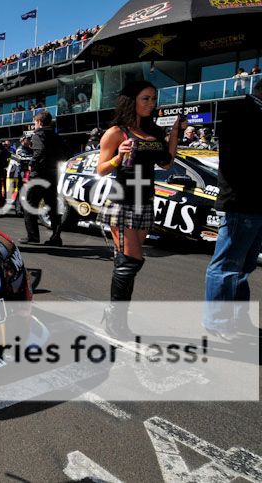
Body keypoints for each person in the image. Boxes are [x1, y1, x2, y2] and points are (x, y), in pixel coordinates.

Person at [95, 81, 180, 339]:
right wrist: (117, 158)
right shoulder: (115, 133)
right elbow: (100, 169)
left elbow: (166, 164)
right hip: (122, 200)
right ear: (131, 100)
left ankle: (115, 316)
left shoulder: (154, 132)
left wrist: (174, 133)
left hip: (145, 200)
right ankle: (114, 318)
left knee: (126, 261)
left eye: (153, 98)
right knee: (131, 260)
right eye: (145, 98)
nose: (151, 103)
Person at [203, 79, 262, 339]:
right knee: (227, 265)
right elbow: (238, 161)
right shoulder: (242, 113)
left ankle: (238, 320)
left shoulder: (252, 113)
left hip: (254, 203)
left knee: (243, 267)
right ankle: (218, 322)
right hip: (240, 202)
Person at [21, 111, 67, 246]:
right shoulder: (56, 136)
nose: (34, 125)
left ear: (39, 122)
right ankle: (56, 236)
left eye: (35, 122)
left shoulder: (38, 134)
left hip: (38, 174)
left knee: (29, 204)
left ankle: (33, 236)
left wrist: (31, 163)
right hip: (53, 174)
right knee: (52, 205)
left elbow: (40, 151)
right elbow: (65, 153)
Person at [6, 136, 33, 216]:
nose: (29, 141)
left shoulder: (30, 149)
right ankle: (19, 210)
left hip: (29, 173)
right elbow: (20, 160)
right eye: (27, 139)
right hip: (21, 173)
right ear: (22, 141)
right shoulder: (19, 150)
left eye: (29, 139)